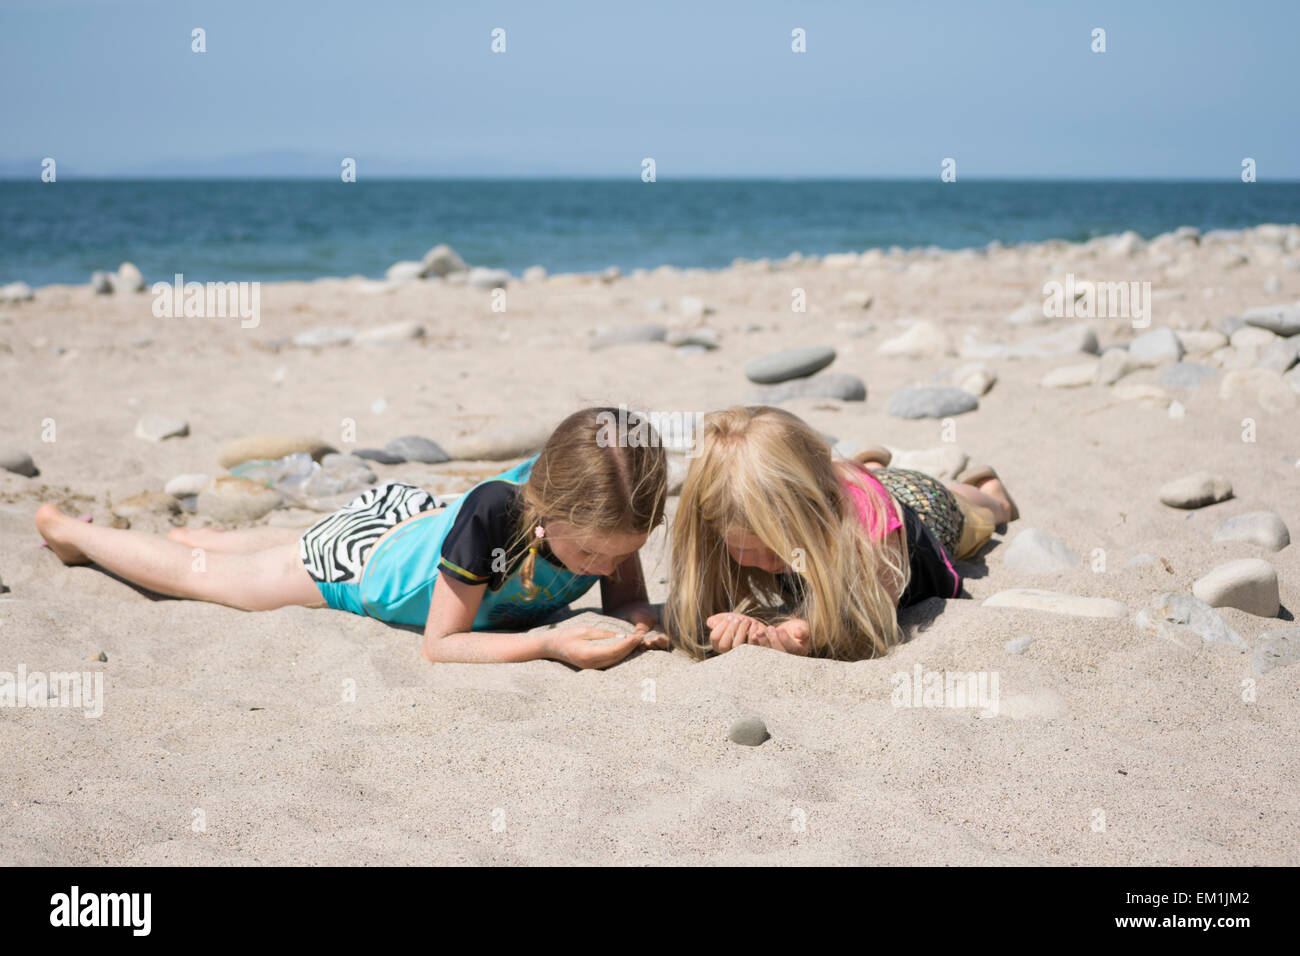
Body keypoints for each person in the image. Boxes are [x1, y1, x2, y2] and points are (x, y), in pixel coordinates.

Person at [35, 407, 670, 670]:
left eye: (622, 550)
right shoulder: (493, 515)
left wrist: (645, 624)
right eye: (592, 554)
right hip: (364, 566)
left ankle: (191, 531)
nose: (606, 564)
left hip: (423, 524)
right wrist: (548, 643)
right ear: (544, 510)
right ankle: (64, 531)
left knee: (269, 551)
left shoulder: (610, 514)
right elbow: (440, 644)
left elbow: (623, 607)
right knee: (225, 583)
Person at [664, 406, 1017, 661]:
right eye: (747, 549)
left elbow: (867, 626)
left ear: (819, 508)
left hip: (923, 511)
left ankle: (989, 492)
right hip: (849, 485)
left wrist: (800, 635)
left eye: (781, 548)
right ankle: (871, 465)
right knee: (877, 479)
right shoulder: (731, 516)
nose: (770, 563)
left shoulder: (874, 536)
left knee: (970, 512)